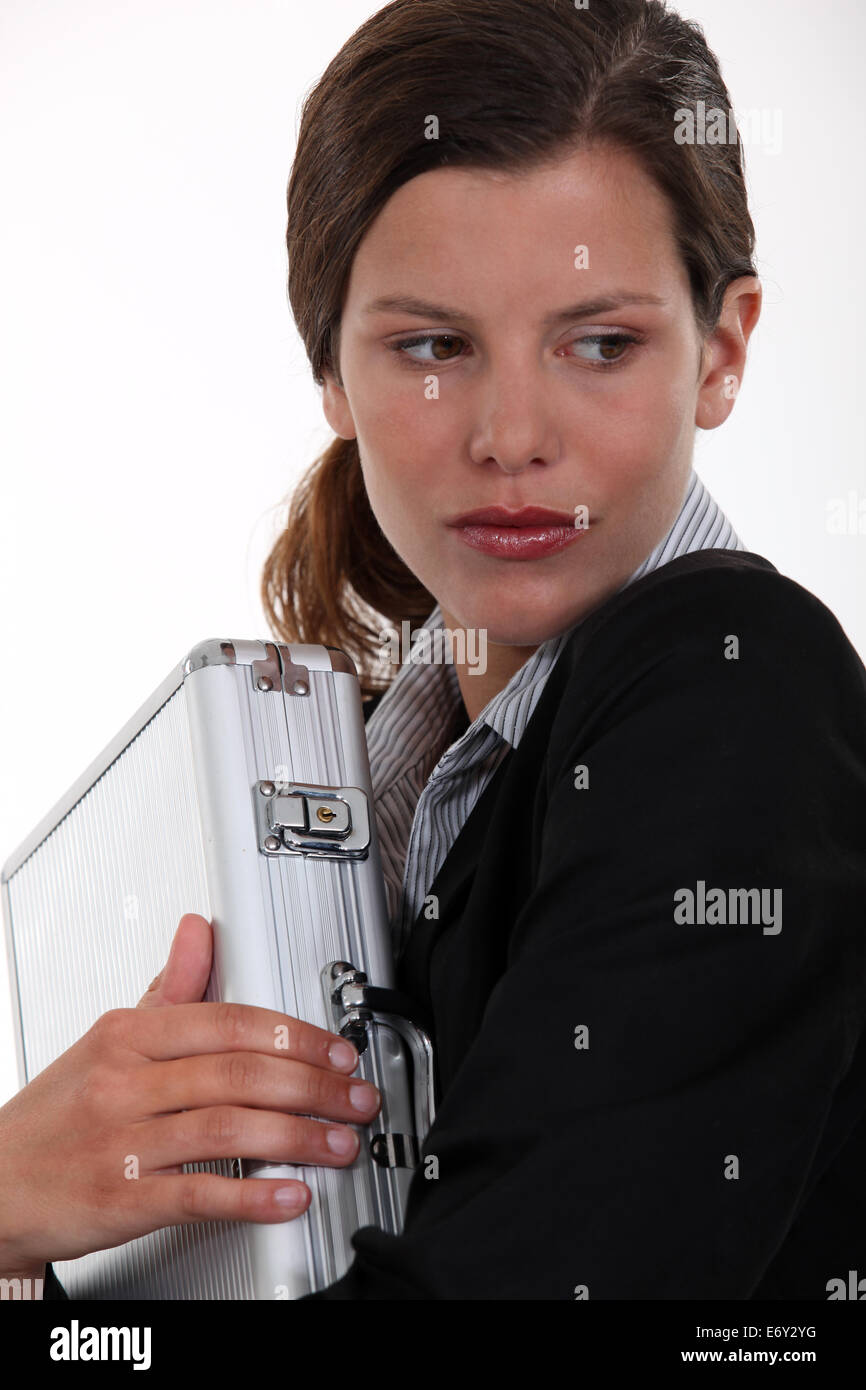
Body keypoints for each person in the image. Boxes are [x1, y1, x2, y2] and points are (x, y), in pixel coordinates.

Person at [3, 0, 865, 1300]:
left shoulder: (735, 680)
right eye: (429, 347)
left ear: (721, 349)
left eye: (598, 342)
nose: (510, 432)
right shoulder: (366, 796)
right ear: (331, 376)